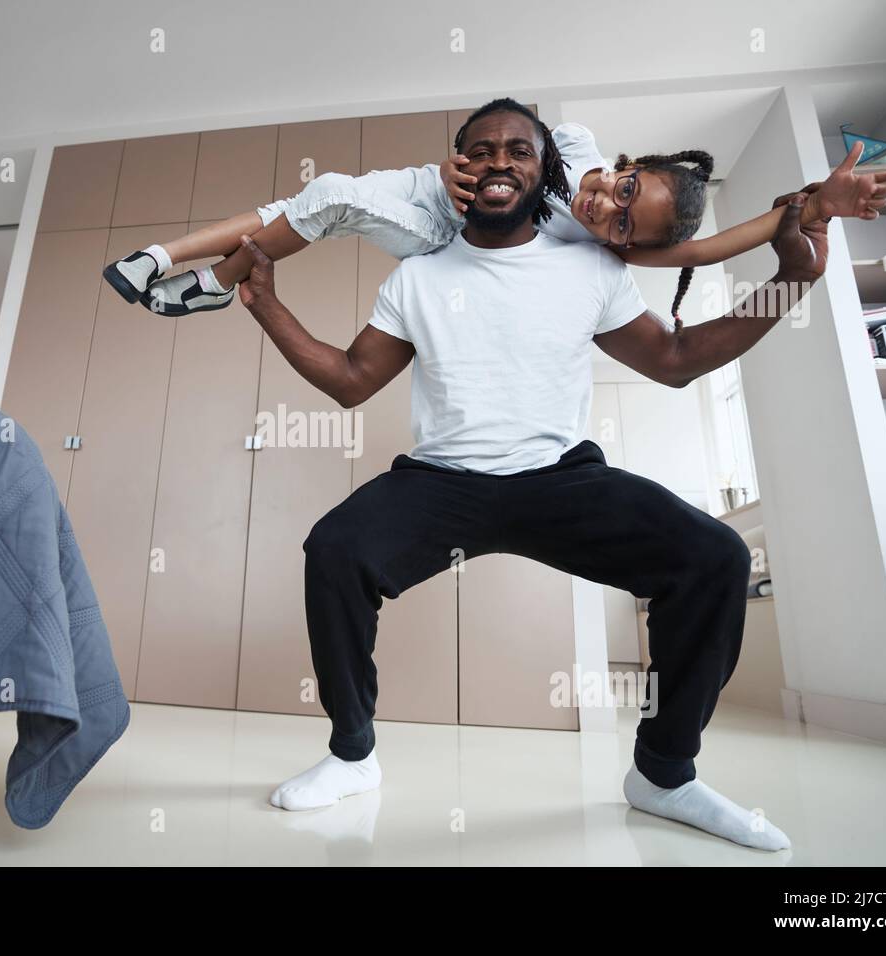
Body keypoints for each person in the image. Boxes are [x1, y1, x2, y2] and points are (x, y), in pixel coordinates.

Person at [237, 98, 830, 851]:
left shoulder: (589, 263)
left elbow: (675, 361)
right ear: (457, 170)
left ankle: (663, 775)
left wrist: (791, 281)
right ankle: (352, 755)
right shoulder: (419, 276)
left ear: (545, 168)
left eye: (519, 150)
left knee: (715, 557)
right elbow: (353, 380)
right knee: (335, 551)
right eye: (480, 149)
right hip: (441, 481)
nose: (499, 161)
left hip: (559, 480)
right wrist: (264, 303)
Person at [101, 99, 886, 321]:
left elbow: (699, 252)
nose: (604, 210)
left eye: (622, 225)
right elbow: (495, 153)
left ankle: (211, 282)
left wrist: (810, 206)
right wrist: (464, 164)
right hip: (426, 183)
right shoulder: (576, 140)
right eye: (621, 193)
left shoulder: (601, 245)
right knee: (300, 200)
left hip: (442, 225)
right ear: (626, 166)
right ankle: (169, 260)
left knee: (331, 196)